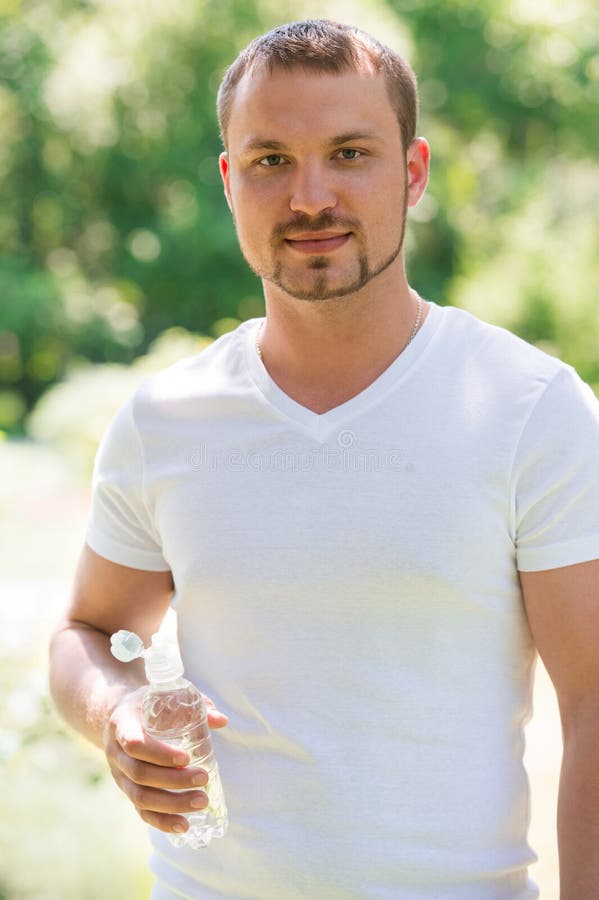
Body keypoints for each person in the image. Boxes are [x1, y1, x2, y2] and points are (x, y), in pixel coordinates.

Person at [49, 19, 599, 900]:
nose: (310, 197)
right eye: (270, 160)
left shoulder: (530, 408)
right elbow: (85, 631)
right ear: (230, 182)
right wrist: (115, 712)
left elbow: (593, 707)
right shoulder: (166, 418)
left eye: (348, 153)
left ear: (412, 172)